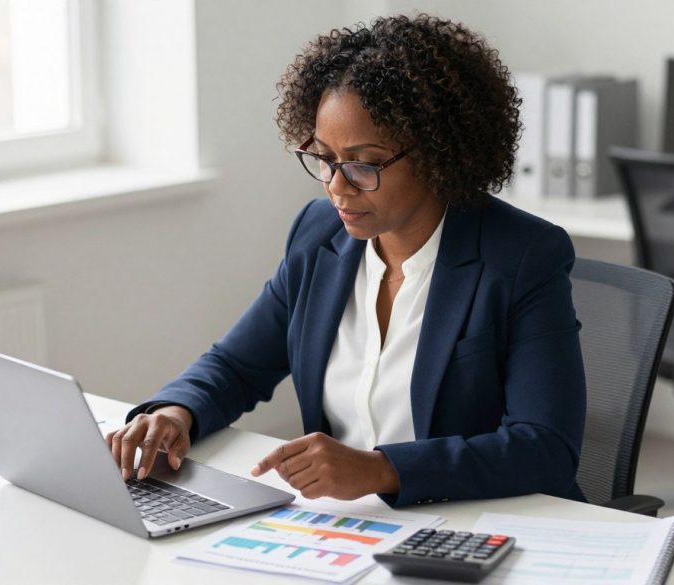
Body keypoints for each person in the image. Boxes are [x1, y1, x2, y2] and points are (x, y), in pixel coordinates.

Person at [105, 13, 586, 507]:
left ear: (440, 154)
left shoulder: (523, 257)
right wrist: (175, 411)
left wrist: (382, 469)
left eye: (362, 163)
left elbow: (545, 448)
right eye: (325, 158)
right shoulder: (318, 237)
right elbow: (237, 365)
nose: (336, 185)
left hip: (480, 524)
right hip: (351, 527)